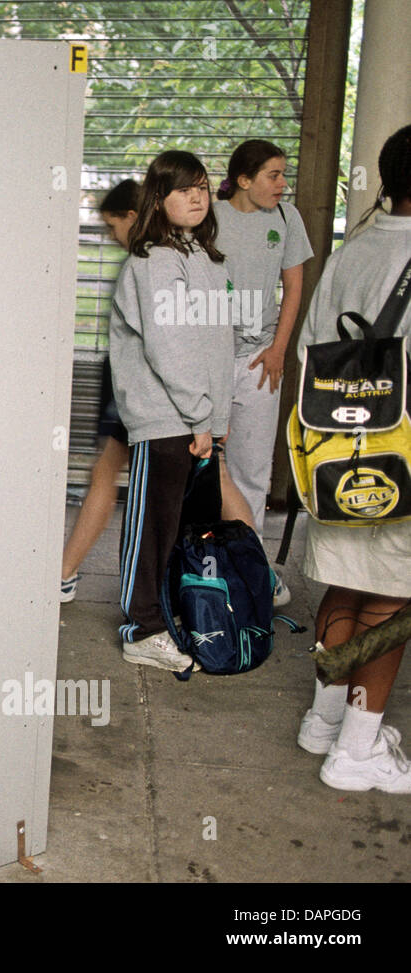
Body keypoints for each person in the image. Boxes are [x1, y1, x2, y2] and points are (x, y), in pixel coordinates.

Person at [294, 124, 411, 793]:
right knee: (393, 597)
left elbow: (313, 348)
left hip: (338, 452)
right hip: (403, 460)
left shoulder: (354, 249)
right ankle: (358, 751)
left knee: (344, 578)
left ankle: (325, 717)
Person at [108, 150, 235, 670]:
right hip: (167, 417)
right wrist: (201, 417)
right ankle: (141, 631)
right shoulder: (155, 261)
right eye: (184, 189)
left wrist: (214, 418)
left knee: (180, 526)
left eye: (203, 187)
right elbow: (170, 346)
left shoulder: (199, 256)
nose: (197, 196)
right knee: (153, 526)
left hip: (194, 417)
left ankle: (166, 618)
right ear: (158, 200)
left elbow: (210, 343)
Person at [213, 139, 314, 604]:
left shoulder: (287, 218)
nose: (282, 183)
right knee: (208, 464)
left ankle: (250, 568)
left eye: (283, 174)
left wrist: (279, 350)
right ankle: (203, 564)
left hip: (259, 361)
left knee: (253, 469)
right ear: (245, 179)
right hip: (211, 361)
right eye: (273, 175)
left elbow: (293, 287)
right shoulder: (210, 217)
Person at [61, 180, 139, 602]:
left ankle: (64, 573)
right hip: (126, 383)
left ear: (132, 216)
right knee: (103, 475)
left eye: (113, 226)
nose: (112, 237)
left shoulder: (145, 265)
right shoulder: (144, 263)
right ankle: (64, 572)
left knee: (104, 475)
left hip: (133, 388)